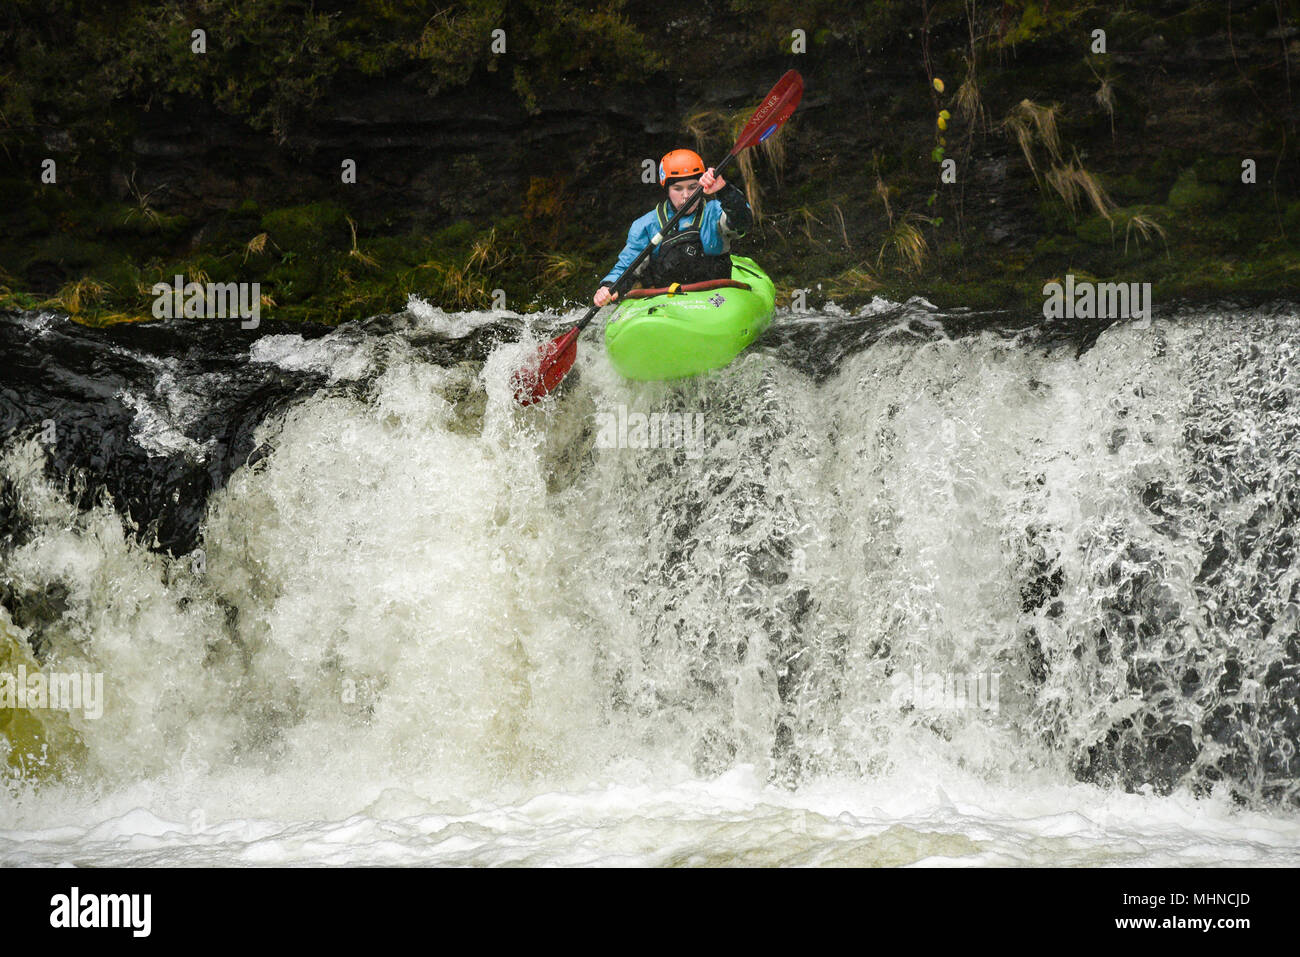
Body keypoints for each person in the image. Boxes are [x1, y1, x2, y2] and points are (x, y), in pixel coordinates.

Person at [593, 148, 754, 307]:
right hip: (668, 303)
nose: (686, 195)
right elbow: (627, 267)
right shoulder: (646, 225)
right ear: (667, 189)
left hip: (717, 298)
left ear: (702, 185)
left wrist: (724, 190)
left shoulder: (715, 212)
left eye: (693, 187)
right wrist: (608, 287)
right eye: (677, 188)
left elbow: (743, 223)